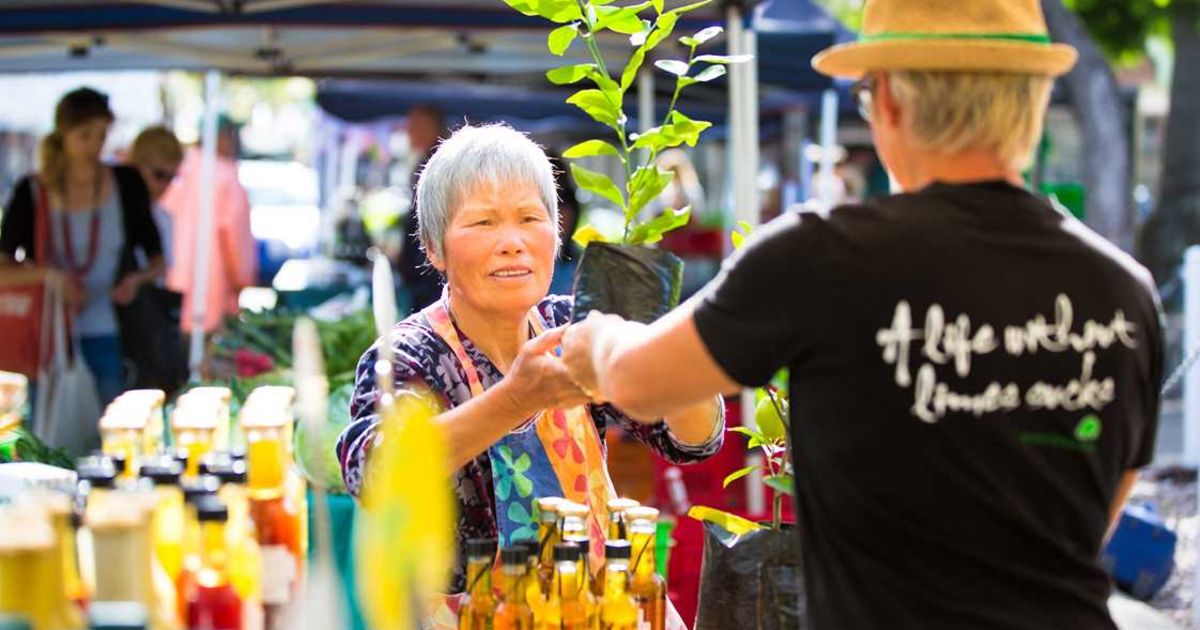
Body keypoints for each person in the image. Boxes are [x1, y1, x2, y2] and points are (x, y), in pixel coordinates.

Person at [561, 1, 1164, 628]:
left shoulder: (821, 255)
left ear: (892, 104)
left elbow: (637, 382)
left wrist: (601, 335)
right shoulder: (1125, 292)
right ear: (1034, 103)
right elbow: (1096, 512)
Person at [336, 124, 724, 600]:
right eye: (483, 223)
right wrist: (518, 397)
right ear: (435, 249)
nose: (512, 242)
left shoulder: (569, 326)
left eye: (529, 218)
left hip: (587, 609)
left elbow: (691, 442)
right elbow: (373, 474)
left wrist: (679, 364)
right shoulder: (412, 355)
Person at [0, 87, 165, 408]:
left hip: (111, 327)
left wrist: (137, 279)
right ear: (64, 134)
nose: (94, 146)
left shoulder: (125, 183)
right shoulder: (32, 191)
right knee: (50, 430)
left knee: (111, 421)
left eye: (102, 136)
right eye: (84, 136)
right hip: (48, 333)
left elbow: (158, 258)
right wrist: (49, 276)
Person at [161, 115, 257, 337]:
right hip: (211, 296)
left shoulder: (181, 167)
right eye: (232, 134)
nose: (235, 141)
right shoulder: (224, 176)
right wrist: (242, 280)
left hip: (171, 293)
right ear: (220, 137)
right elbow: (237, 243)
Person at [396, 103, 447, 312]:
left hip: (431, 274)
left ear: (432, 127)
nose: (408, 131)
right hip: (422, 270)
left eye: (415, 125)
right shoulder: (428, 160)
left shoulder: (440, 164)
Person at [129, 126, 183, 270]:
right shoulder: (111, 208)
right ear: (137, 165)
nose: (165, 185)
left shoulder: (163, 218)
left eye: (171, 178)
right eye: (159, 175)